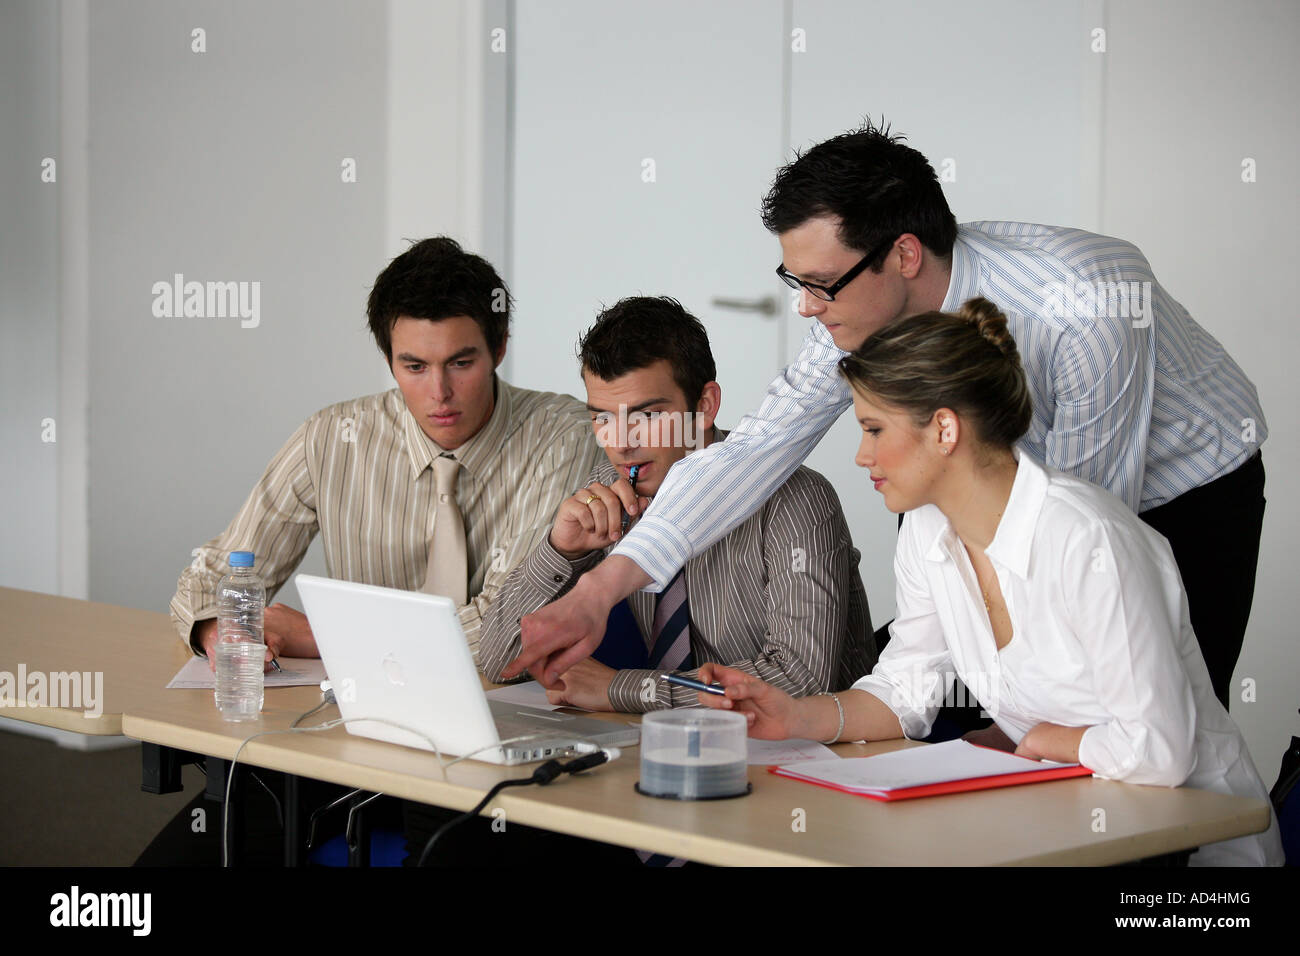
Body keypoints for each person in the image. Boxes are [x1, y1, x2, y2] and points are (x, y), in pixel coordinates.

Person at [506, 121, 1267, 715]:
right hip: (976, 484)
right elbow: (755, 450)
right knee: (949, 702)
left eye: (821, 283)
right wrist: (597, 591)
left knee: (1136, 711)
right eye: (793, 281)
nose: (805, 306)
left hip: (1178, 488)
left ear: (903, 254)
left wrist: (1017, 721)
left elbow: (1081, 521)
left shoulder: (1085, 301)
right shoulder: (854, 311)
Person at [695, 298, 1283, 867]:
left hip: (1191, 851)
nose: (861, 455)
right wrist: (792, 717)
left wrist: (1046, 739)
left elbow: (1159, 751)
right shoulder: (928, 532)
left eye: (874, 429)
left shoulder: (1087, 538)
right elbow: (904, 693)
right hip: (1062, 828)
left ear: (944, 430)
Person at [169, 236, 602, 667]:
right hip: (364, 706)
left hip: (516, 706)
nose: (440, 393)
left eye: (460, 363)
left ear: (499, 349)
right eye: (414, 367)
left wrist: (329, 636)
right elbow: (210, 578)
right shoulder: (331, 439)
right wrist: (221, 630)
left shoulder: (564, 437)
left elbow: (505, 631)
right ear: (389, 358)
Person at [476, 295, 876, 710]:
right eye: (602, 418)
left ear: (703, 407)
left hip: (818, 757)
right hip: (676, 748)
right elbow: (500, 662)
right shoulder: (608, 494)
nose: (621, 443)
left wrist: (621, 689)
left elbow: (800, 679)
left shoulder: (795, 500)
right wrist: (560, 553)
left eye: (646, 417)